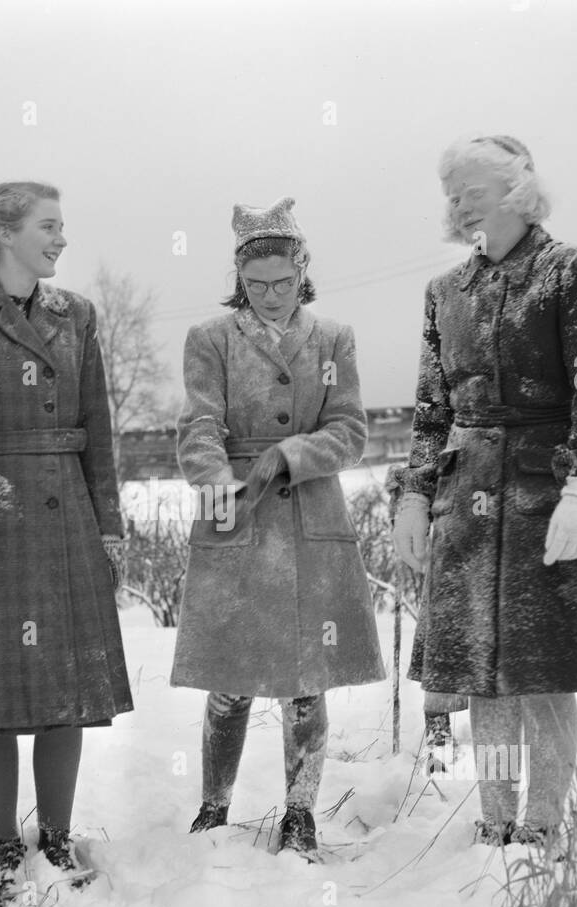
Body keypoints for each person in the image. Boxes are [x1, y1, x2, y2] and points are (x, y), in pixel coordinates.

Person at [388, 135, 577, 846]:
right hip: (468, 495)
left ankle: (542, 824)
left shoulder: (574, 273)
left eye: (470, 189)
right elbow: (431, 409)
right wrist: (414, 495)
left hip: (545, 490)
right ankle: (494, 820)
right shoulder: (445, 292)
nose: (457, 203)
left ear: (515, 190)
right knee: (482, 674)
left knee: (543, 670)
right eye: (451, 192)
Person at [0, 181, 132, 906]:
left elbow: (99, 430)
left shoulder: (78, 315)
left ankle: (59, 836)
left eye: (63, 226)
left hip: (67, 510)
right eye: (48, 226)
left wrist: (108, 524)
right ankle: (4, 844)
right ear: (3, 233)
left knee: (64, 690)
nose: (62, 239)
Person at [171, 198, 386, 859]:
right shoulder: (210, 340)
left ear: (302, 274)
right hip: (234, 516)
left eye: (283, 283)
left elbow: (350, 430)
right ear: (240, 279)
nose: (270, 296)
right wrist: (215, 484)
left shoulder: (333, 341)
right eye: (257, 285)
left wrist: (290, 455)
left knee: (305, 678)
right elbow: (199, 424)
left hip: (310, 517)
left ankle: (300, 813)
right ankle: (213, 808)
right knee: (229, 674)